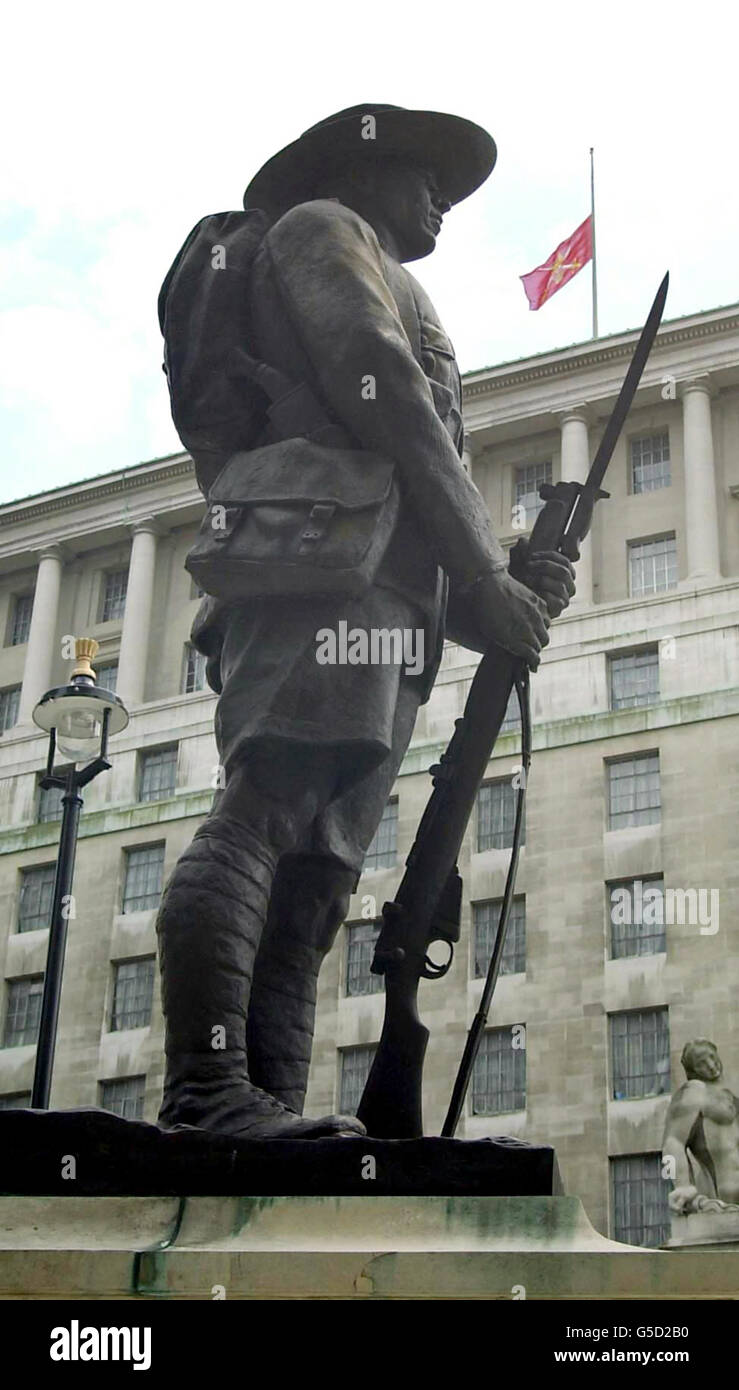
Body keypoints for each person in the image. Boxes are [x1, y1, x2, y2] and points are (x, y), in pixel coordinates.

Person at [156, 105, 576, 1139]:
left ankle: (266, 1109)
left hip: (383, 596)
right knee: (267, 809)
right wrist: (483, 574)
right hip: (318, 579)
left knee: (316, 878)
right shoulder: (320, 229)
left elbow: (404, 469)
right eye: (425, 175)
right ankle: (207, 1086)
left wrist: (502, 588)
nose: (442, 197)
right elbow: (384, 394)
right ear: (363, 167)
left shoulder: (389, 264)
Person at [662, 1039, 739, 1212]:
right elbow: (671, 1144)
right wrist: (680, 1185)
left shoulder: (729, 1093)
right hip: (722, 1201)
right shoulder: (693, 1092)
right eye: (702, 1063)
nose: (712, 1066)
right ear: (693, 1070)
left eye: (712, 1057)